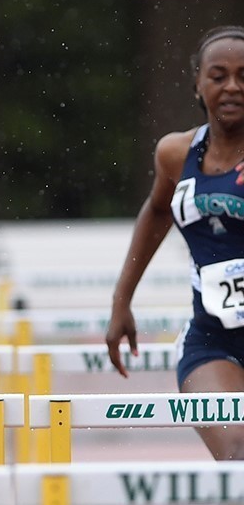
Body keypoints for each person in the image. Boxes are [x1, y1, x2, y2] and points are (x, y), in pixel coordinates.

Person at [106, 25, 244, 460]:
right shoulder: (174, 154)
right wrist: (121, 300)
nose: (233, 86)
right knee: (239, 455)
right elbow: (158, 211)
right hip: (212, 340)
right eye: (218, 75)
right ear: (198, 85)